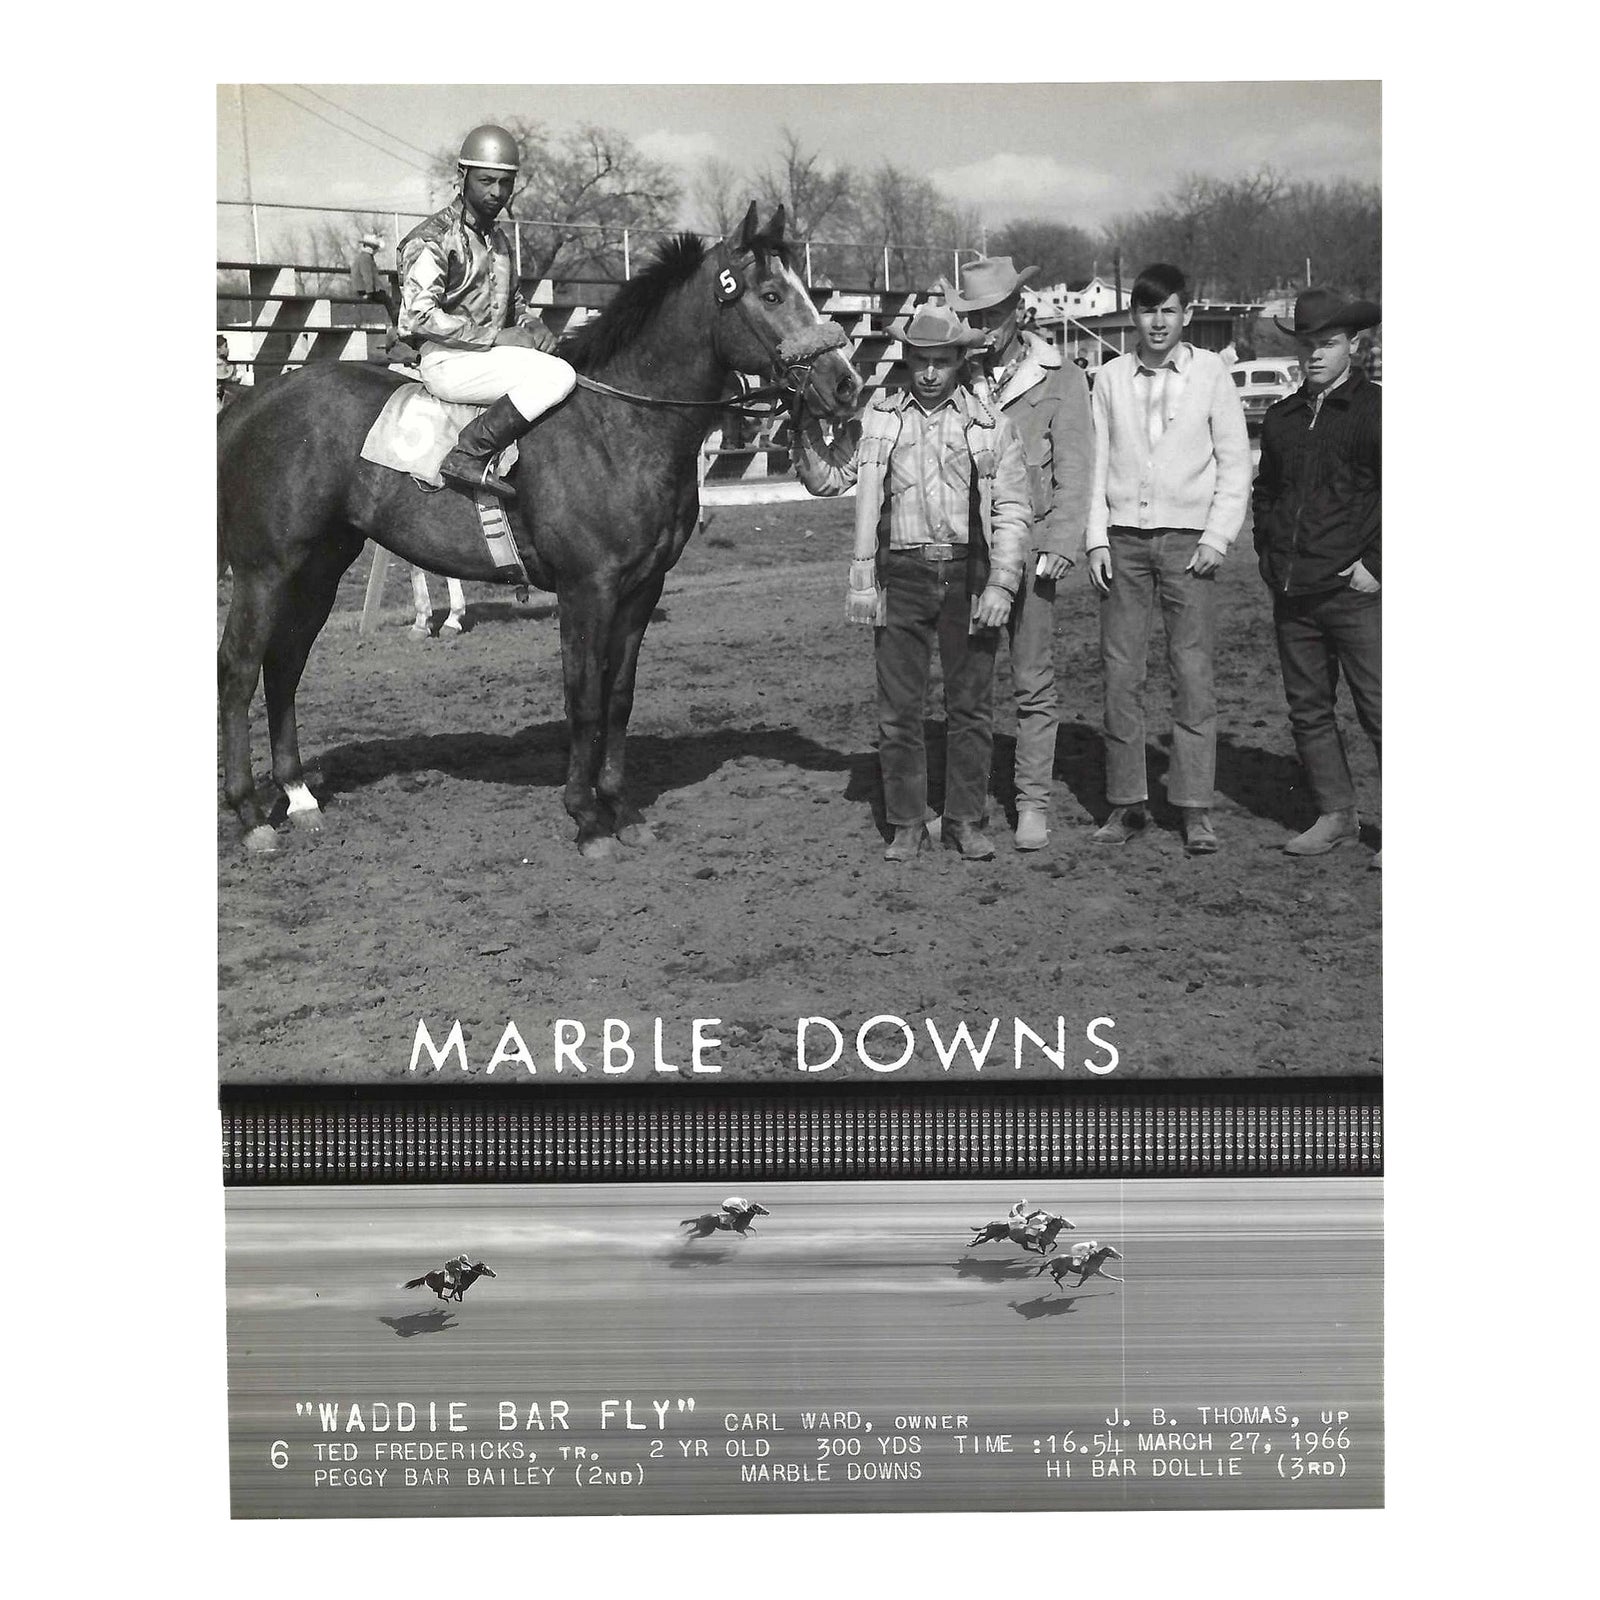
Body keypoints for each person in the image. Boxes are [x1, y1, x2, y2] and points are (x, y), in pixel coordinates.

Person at [793, 304, 1031, 862]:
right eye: (919, 360)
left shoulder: (991, 424)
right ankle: (906, 821)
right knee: (898, 709)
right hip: (900, 573)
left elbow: (1014, 509)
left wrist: (1001, 584)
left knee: (970, 708)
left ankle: (966, 821)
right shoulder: (878, 420)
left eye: (940, 362)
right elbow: (829, 478)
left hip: (969, 572)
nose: (928, 372)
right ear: (907, 359)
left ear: (958, 361)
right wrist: (802, 424)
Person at [1085, 262, 1250, 855]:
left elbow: (1235, 464)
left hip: (1188, 546)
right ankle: (1127, 803)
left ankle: (1194, 807)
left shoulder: (1210, 374)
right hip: (1125, 543)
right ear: (1134, 315)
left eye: (1169, 310)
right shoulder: (1108, 378)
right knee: (1122, 673)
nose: (1158, 322)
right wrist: (1097, 538)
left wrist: (1217, 537)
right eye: (1148, 310)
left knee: (1192, 673)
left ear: (1186, 313)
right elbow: (1097, 463)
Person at [939, 257, 1093, 851]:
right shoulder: (957, 375)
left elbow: (1075, 469)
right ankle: (964, 805)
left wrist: (1061, 542)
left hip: (1033, 552)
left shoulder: (1062, 377)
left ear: (1019, 313)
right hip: (969, 553)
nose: (983, 327)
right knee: (968, 687)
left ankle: (1033, 803)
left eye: (993, 315)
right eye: (972, 316)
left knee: (1032, 682)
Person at [1252, 287, 1382, 863]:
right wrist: (1268, 556)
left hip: (1356, 592)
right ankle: (1336, 815)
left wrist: (1379, 565)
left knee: (1381, 705)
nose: (1315, 355)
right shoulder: (1280, 419)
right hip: (1293, 589)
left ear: (1353, 344)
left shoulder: (1377, 412)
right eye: (1307, 345)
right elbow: (1267, 495)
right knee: (1307, 709)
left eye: (1327, 343)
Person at [397, 124, 576, 500]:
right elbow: (419, 315)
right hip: (446, 360)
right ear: (462, 178)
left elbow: (513, 305)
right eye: (486, 180)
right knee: (558, 376)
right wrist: (496, 337)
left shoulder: (499, 240)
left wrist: (533, 325)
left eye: (505, 183)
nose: (497, 192)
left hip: (485, 358)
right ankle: (468, 453)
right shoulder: (431, 238)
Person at [350, 231, 396, 323]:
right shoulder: (366, 258)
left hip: (363, 288)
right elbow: (367, 276)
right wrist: (369, 292)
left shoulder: (362, 257)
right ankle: (396, 323)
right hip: (365, 289)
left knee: (387, 299)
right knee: (388, 301)